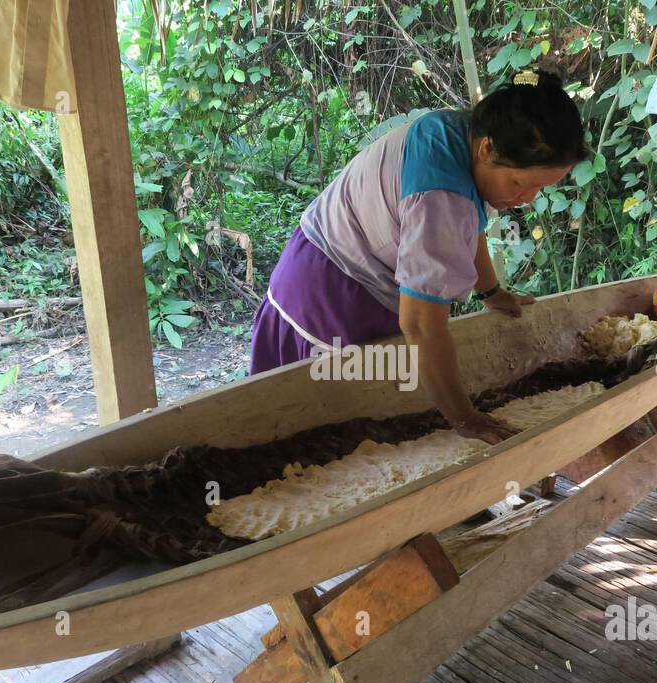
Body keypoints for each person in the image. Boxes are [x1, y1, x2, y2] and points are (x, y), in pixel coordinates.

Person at [248, 68, 585, 443]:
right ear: (488, 148)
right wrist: (466, 419)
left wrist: (491, 292)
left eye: (541, 188)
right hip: (330, 299)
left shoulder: (458, 131)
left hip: (308, 263)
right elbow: (421, 325)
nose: (527, 199)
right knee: (322, 442)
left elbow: (466, 227)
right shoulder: (442, 195)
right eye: (523, 184)